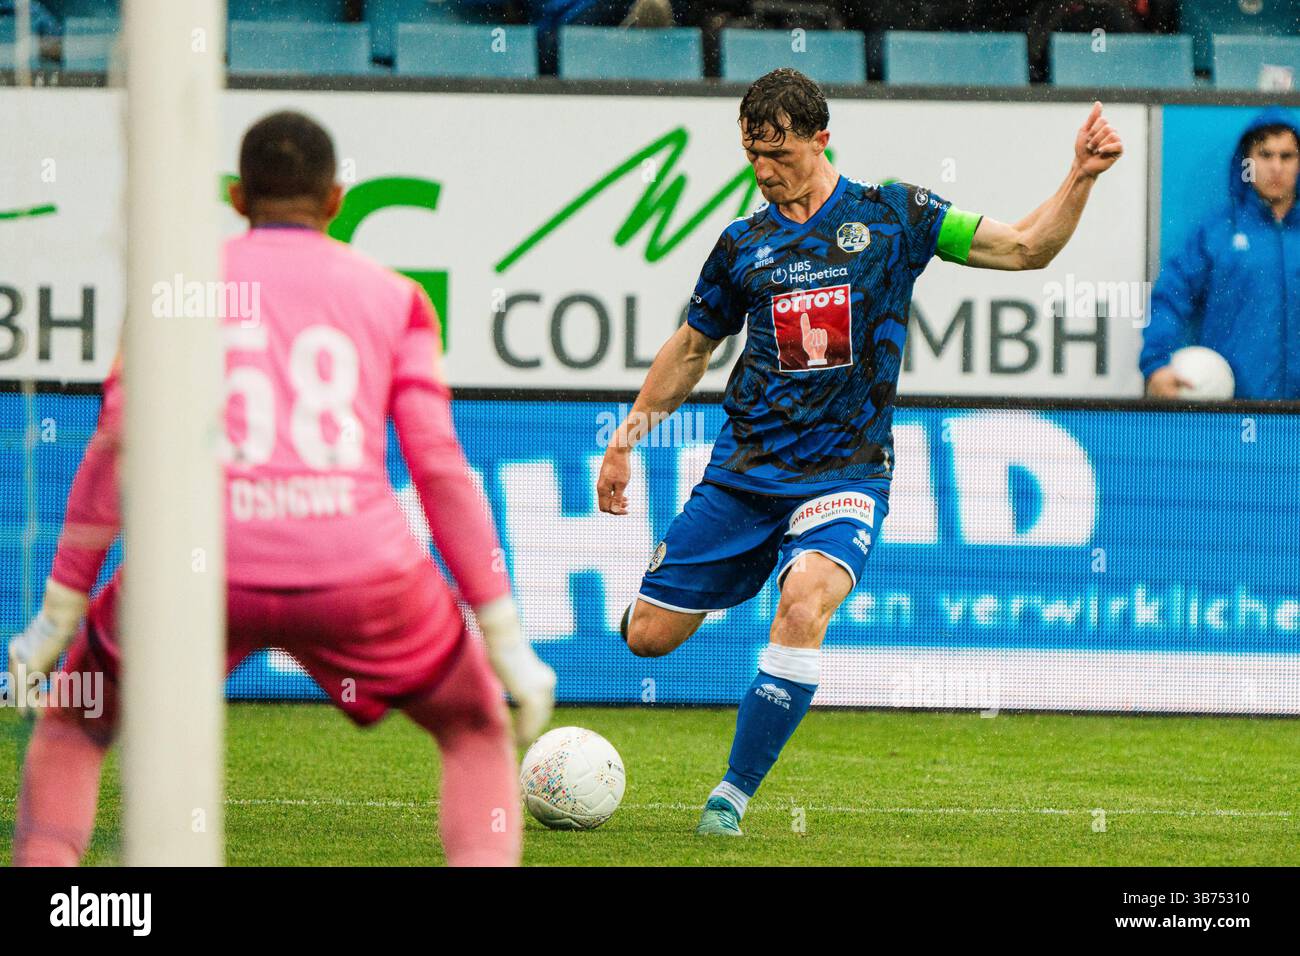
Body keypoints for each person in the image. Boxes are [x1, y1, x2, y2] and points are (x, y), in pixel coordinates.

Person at [8, 110, 556, 867]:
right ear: (336, 200)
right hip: (361, 566)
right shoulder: (395, 297)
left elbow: (113, 445)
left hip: (202, 561)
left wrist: (54, 618)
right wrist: (506, 640)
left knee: (75, 722)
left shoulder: (176, 289)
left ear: (237, 198)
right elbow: (438, 465)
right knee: (470, 731)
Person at [596, 68, 1122, 836]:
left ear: (821, 138)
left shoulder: (895, 214)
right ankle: (734, 573)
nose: (763, 170)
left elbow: (1023, 249)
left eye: (778, 153)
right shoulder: (743, 244)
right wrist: (626, 439)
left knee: (804, 602)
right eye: (751, 155)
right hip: (745, 472)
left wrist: (1078, 176)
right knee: (648, 640)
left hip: (847, 473)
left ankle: (730, 798)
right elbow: (691, 348)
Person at [1141, 107, 1300, 400]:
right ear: (1247, 162)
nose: (1276, 167)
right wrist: (1156, 365)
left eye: (1287, 156)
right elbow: (1169, 298)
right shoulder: (1217, 233)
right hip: (1231, 417)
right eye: (1265, 155)